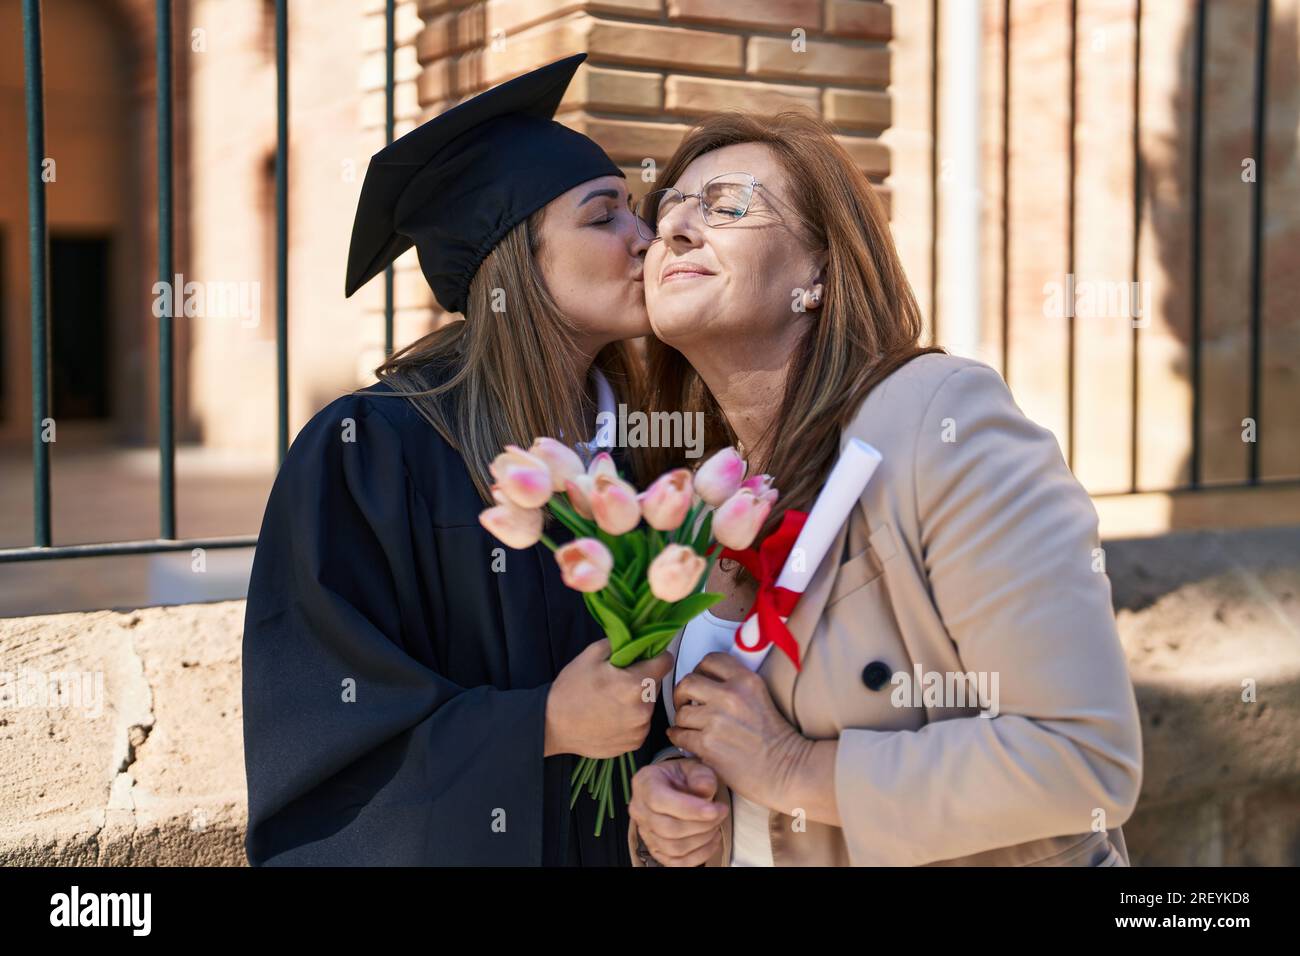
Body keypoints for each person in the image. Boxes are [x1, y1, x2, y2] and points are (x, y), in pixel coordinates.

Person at [626, 110, 1143, 866]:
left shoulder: (936, 416)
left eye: (727, 204)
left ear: (820, 272)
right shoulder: (701, 494)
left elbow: (1081, 761)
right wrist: (684, 820)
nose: (674, 228)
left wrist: (793, 770)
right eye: (667, 207)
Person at [241, 53, 673, 866]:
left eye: (636, 211)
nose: (645, 239)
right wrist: (541, 725)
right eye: (603, 215)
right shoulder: (367, 456)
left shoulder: (649, 457)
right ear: (514, 261)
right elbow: (323, 751)